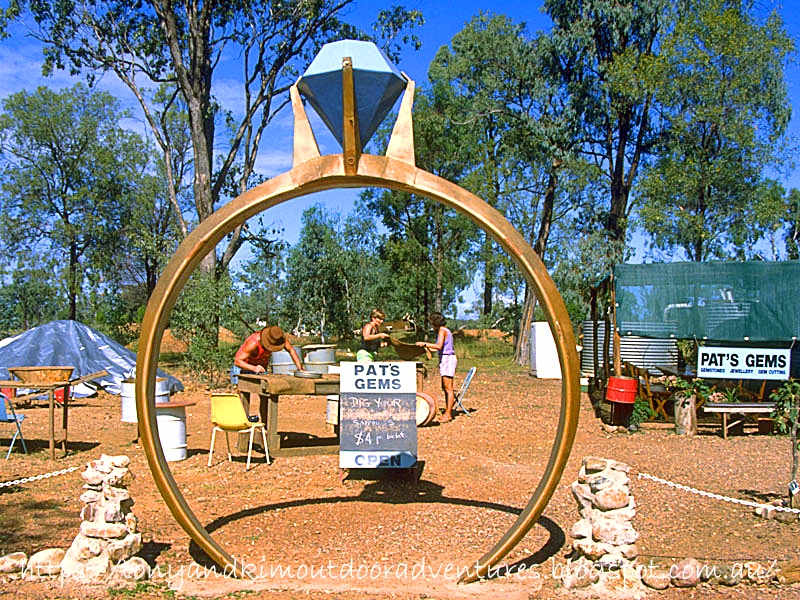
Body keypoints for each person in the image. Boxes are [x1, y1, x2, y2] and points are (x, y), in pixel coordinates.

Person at [233, 325, 304, 416]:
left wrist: (300, 369)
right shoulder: (253, 343)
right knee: (243, 396)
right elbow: (237, 361)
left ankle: (265, 426)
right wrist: (254, 368)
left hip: (261, 368)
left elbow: (292, 350)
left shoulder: (278, 339)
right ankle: (241, 422)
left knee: (265, 395)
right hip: (244, 366)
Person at [416, 312, 457, 422]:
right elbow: (439, 347)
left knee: (448, 388)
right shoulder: (444, 330)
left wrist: (425, 344)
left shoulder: (442, 331)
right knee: (445, 387)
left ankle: (448, 414)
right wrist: (426, 348)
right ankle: (448, 411)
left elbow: (438, 346)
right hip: (445, 359)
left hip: (447, 359)